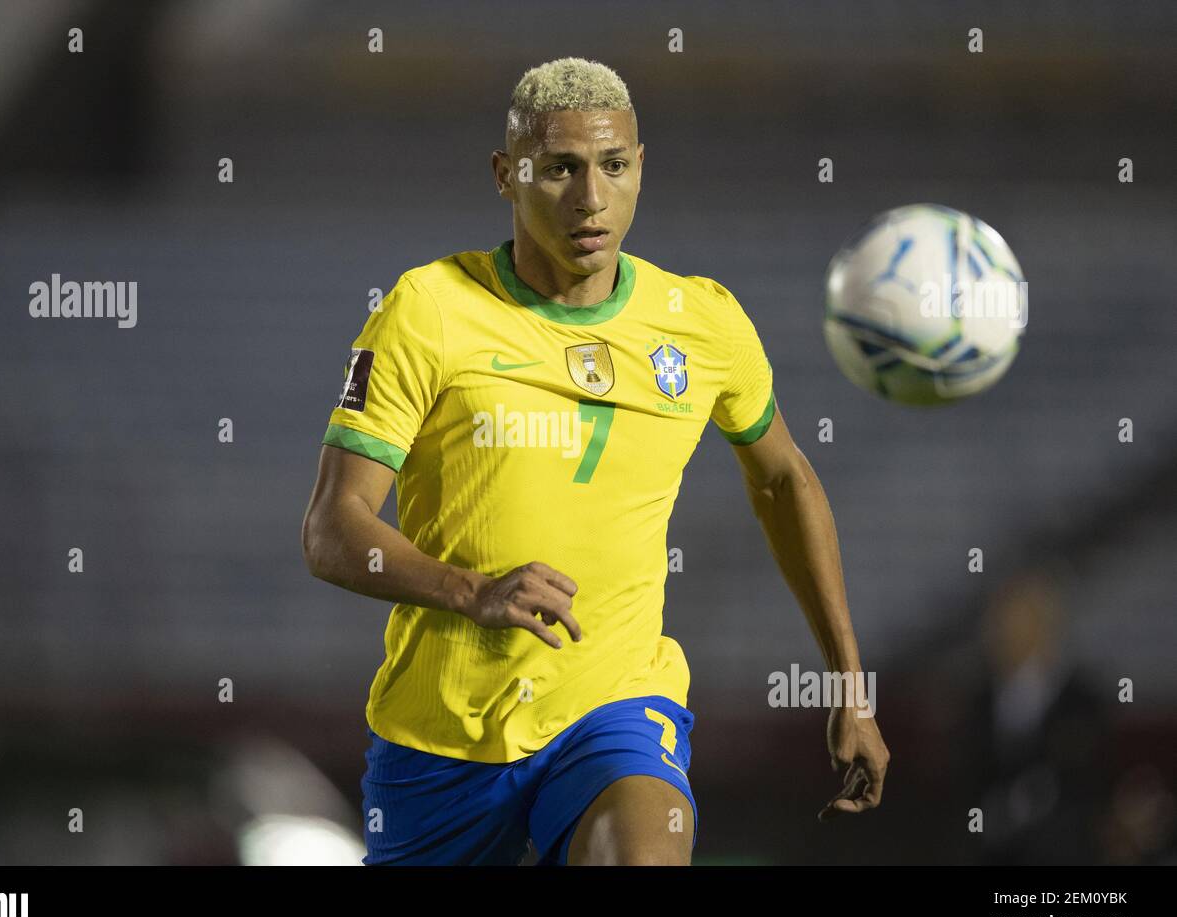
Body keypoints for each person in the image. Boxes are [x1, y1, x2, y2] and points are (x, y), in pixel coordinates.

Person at [302, 57, 887, 865]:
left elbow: (785, 477)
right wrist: (471, 590)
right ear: (507, 176)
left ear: (641, 168)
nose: (591, 198)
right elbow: (333, 531)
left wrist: (849, 686)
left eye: (614, 167)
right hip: (442, 737)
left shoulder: (702, 325)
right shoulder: (428, 311)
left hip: (616, 708)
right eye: (561, 170)